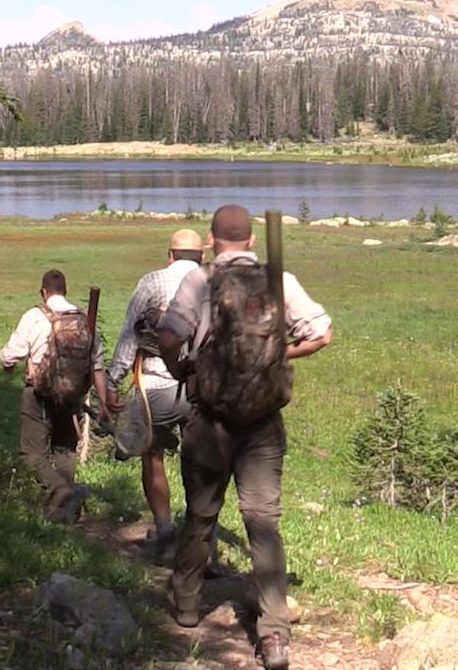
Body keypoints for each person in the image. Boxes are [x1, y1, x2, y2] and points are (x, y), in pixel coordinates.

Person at [157, 205, 333, 670]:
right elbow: (323, 334)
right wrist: (278, 356)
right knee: (262, 522)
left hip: (209, 420)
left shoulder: (198, 281)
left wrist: (182, 370)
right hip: (262, 427)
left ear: (212, 241)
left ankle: (188, 606)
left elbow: (168, 335)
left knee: (200, 513)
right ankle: (274, 633)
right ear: (252, 240)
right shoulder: (279, 281)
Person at [105, 228, 206, 558]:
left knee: (152, 457)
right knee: (202, 465)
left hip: (155, 384)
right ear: (202, 256)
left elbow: (129, 337)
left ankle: (164, 533)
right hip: (201, 387)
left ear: (170, 254)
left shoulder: (151, 282)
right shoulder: (214, 284)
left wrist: (111, 381)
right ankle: (202, 543)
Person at [0, 268, 107, 524]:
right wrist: (103, 402)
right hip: (72, 395)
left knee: (32, 453)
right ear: (65, 290)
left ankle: (59, 489)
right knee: (65, 450)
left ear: (43, 292)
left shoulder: (34, 316)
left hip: (39, 392)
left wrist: (6, 363)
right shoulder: (84, 320)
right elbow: (98, 365)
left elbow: (10, 354)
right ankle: (66, 510)